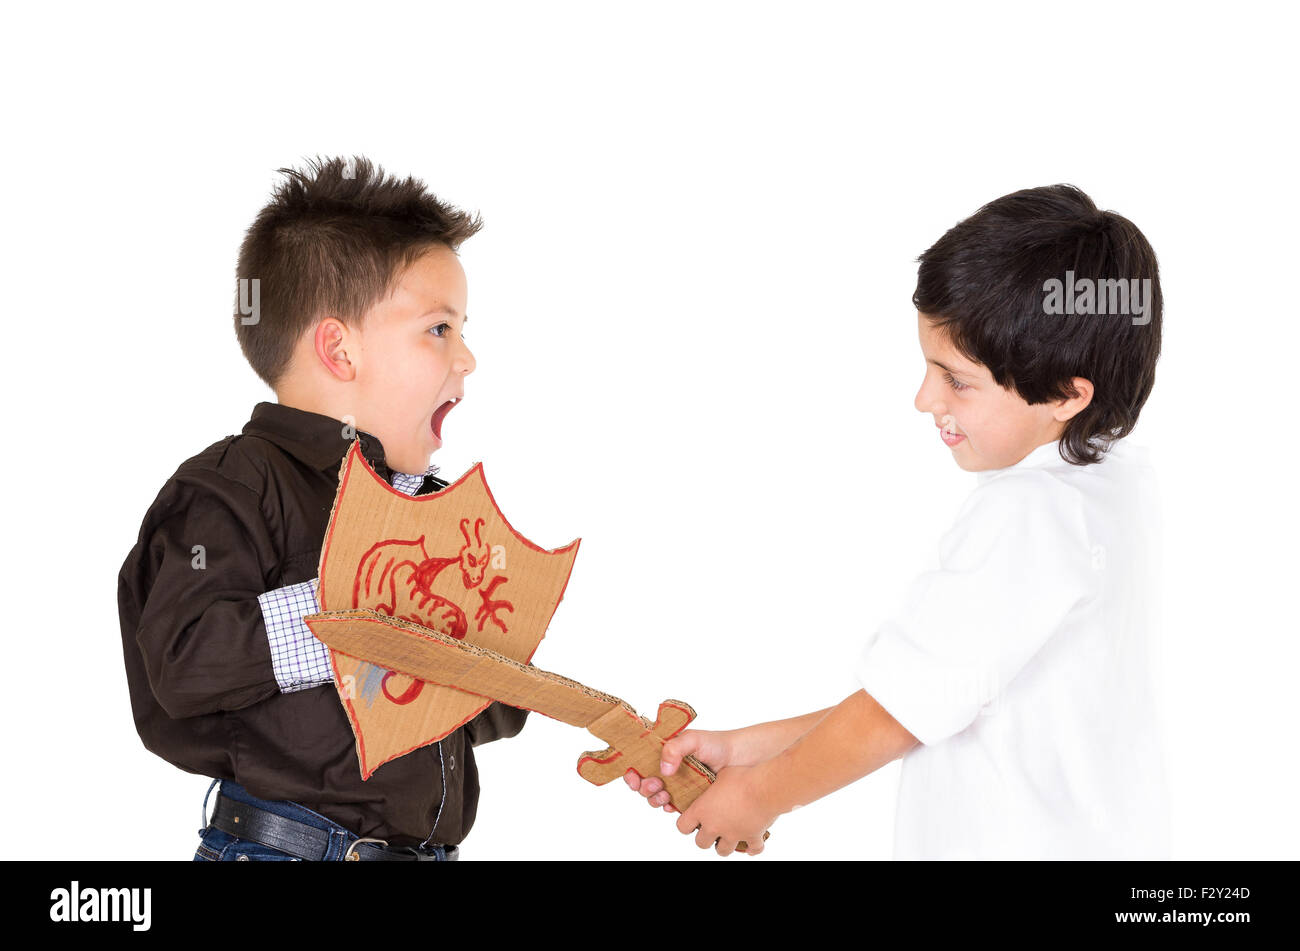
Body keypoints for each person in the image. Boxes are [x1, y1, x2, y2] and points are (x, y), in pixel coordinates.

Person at [627, 184, 1171, 860]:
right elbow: (927, 701)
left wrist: (761, 793)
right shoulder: (1114, 492)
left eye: (956, 379)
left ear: (1065, 393)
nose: (924, 399)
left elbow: (893, 716)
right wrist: (741, 751)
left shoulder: (1028, 516)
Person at [118, 155, 526, 861]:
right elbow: (182, 662)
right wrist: (357, 619)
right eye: (439, 329)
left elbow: (488, 711)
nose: (467, 358)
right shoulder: (233, 485)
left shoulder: (431, 512)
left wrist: (488, 656)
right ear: (339, 348)